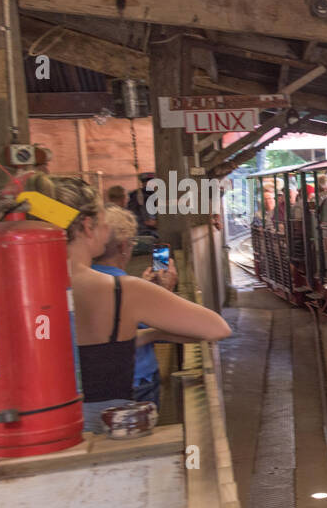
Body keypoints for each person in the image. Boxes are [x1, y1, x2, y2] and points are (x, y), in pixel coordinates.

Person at [29, 174, 231, 433]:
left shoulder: (15, 291)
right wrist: (156, 326)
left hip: (36, 435)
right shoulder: (122, 290)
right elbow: (217, 328)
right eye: (103, 222)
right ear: (88, 227)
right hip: (109, 439)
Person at [92, 206, 175, 407]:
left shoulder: (82, 280)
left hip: (94, 383)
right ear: (123, 247)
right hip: (137, 379)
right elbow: (166, 327)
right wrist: (165, 291)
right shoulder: (129, 288)